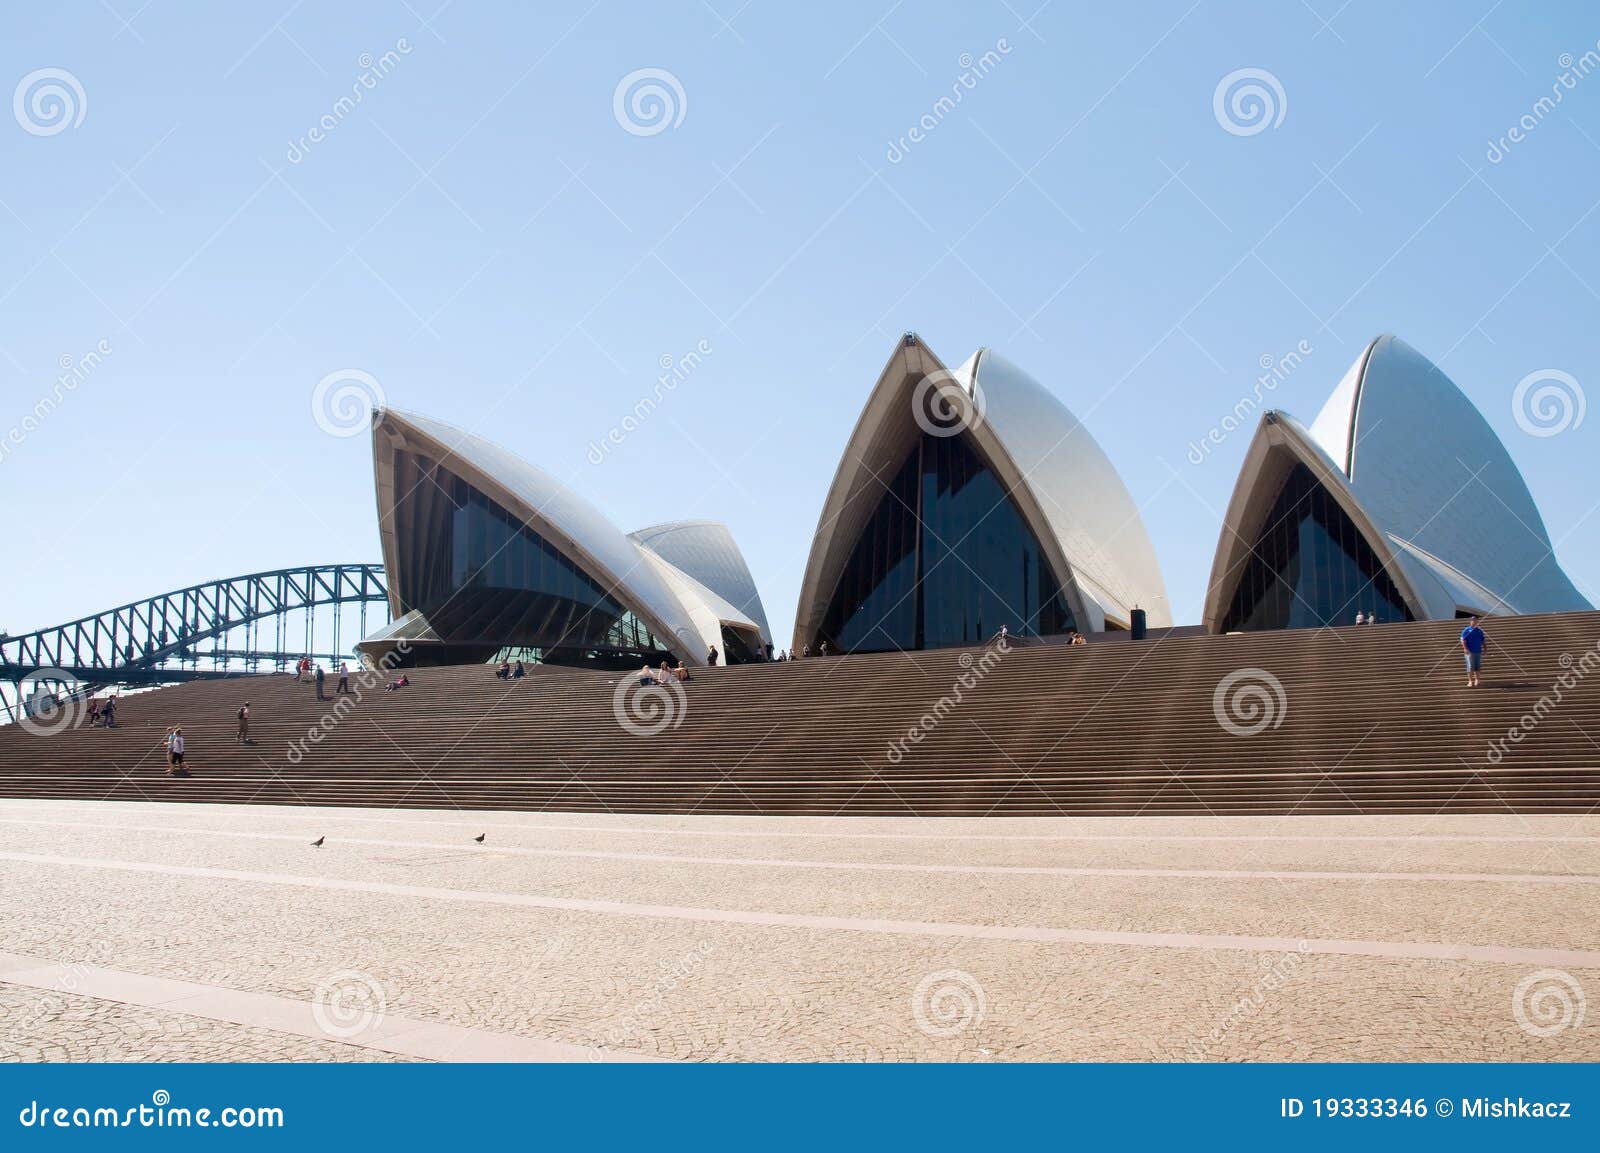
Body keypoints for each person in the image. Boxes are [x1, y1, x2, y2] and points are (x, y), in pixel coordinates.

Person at [1460, 616, 1487, 688]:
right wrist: (1465, 649)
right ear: (1470, 621)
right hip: (1469, 652)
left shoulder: (1479, 631)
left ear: (1477, 622)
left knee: (1477, 666)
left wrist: (1485, 649)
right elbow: (1463, 640)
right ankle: (1470, 681)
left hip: (1478, 651)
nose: (1474, 621)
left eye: (1475, 620)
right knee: (1470, 666)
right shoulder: (1467, 630)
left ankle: (1477, 680)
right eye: (1473, 620)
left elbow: (1483, 640)